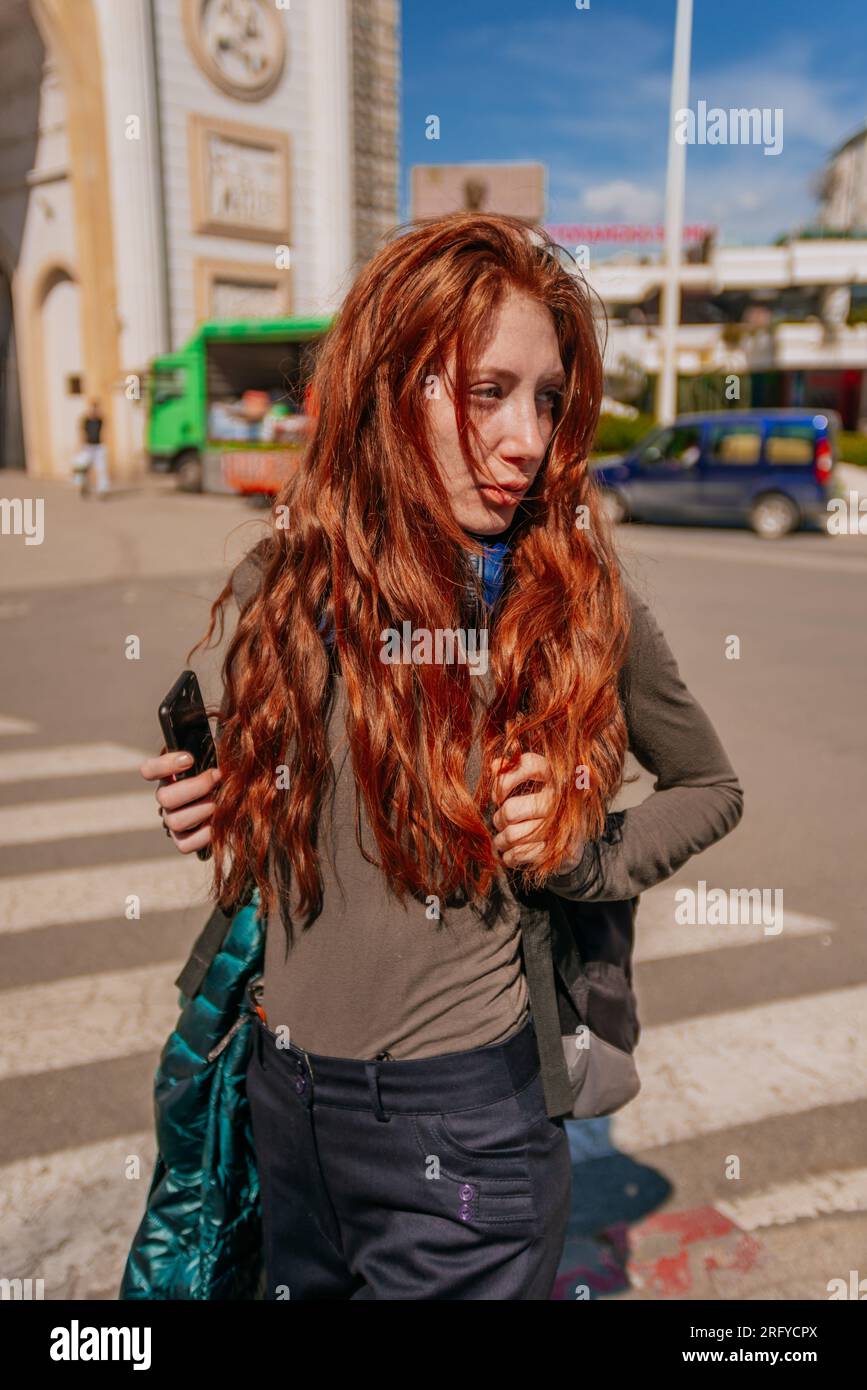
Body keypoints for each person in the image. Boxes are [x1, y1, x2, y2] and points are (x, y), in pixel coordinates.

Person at [139, 213, 744, 1300]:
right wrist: (221, 802)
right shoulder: (288, 585)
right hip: (285, 1111)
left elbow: (711, 785)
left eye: (549, 397)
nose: (530, 437)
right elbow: (295, 828)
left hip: (464, 1143)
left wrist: (580, 852)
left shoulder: (577, 604)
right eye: (487, 391)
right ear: (391, 387)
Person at [72, 398, 109, 498]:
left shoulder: (101, 419)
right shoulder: (85, 420)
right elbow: (81, 433)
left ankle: (102, 490)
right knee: (82, 469)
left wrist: (104, 444)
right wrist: (80, 446)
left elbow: (104, 432)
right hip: (87, 447)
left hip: (98, 447)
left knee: (101, 469)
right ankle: (82, 487)